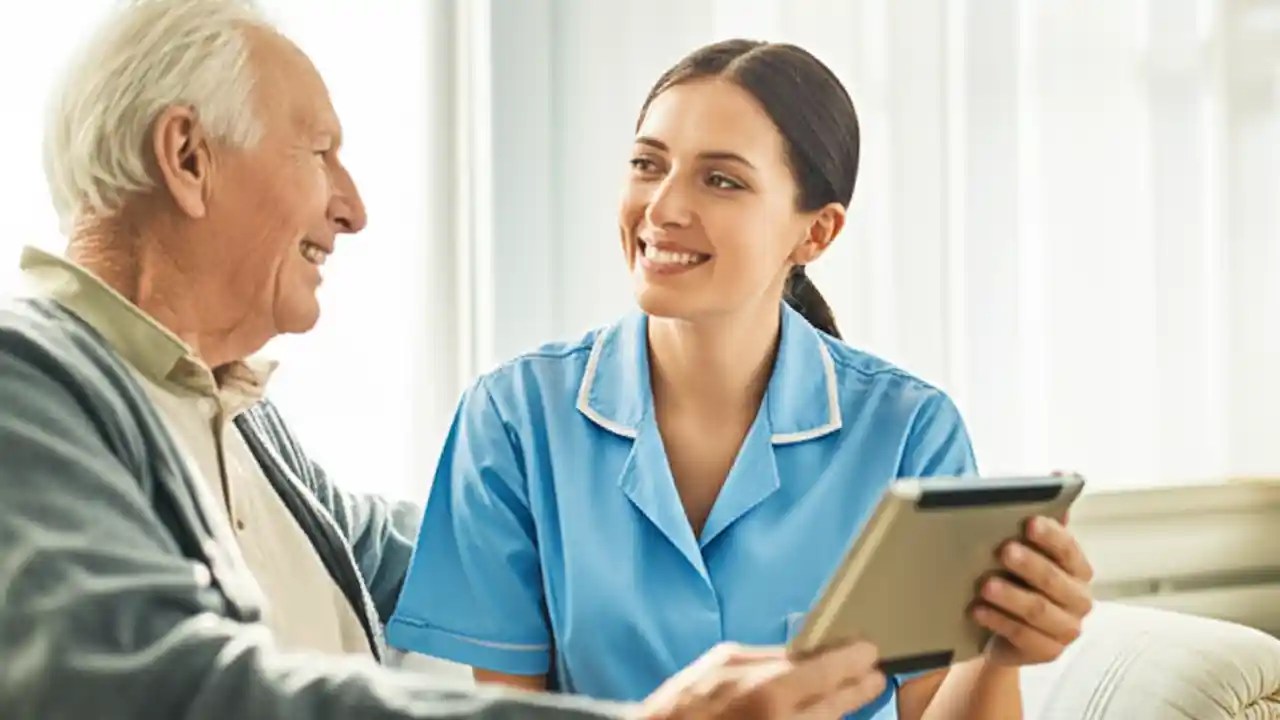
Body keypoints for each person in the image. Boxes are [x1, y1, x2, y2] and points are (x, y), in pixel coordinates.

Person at [0, 2, 889, 718]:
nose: (352, 208)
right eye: (320, 154)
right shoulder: (26, 379)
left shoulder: (236, 418)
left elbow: (447, 554)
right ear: (189, 158)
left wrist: (677, 537)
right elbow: (155, 687)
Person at [386, 39, 1097, 719]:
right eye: (647, 164)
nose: (662, 208)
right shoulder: (512, 420)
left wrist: (997, 655)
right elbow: (511, 714)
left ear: (815, 233)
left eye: (721, 179)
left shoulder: (910, 433)